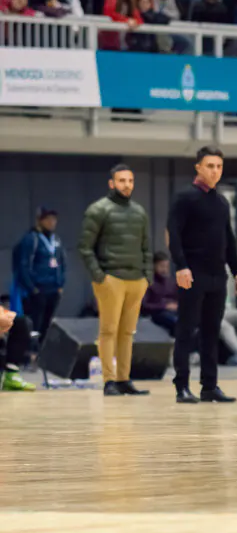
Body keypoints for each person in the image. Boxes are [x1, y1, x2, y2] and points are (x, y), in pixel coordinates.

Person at [168, 146, 237, 404]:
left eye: (219, 167)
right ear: (198, 167)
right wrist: (181, 266)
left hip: (216, 276)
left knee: (211, 332)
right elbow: (174, 234)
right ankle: (181, 386)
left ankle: (209, 386)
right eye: (210, 166)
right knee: (186, 330)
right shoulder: (184, 198)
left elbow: (229, 239)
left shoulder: (221, 202)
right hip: (192, 274)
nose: (215, 171)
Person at [78, 163, 153, 396]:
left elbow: (146, 248)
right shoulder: (98, 209)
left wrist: (146, 277)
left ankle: (123, 379)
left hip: (135, 280)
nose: (127, 185)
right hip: (111, 278)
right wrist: (100, 277)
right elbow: (84, 248)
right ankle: (109, 380)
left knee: (127, 332)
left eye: (130, 181)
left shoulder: (139, 212)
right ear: (111, 183)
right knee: (108, 330)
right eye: (122, 181)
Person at [15, 207, 65, 342]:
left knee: (47, 324)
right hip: (38, 289)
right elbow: (23, 265)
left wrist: (60, 284)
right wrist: (32, 288)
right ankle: (32, 352)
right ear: (40, 220)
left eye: (54, 219)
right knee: (35, 323)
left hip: (53, 289)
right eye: (48, 219)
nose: (52, 222)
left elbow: (62, 263)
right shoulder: (32, 239)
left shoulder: (56, 240)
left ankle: (43, 355)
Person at [144, 251, 179, 335]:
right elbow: (144, 306)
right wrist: (164, 306)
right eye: (161, 266)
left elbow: (177, 298)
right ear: (154, 266)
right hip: (158, 312)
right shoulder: (149, 283)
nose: (164, 269)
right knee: (177, 323)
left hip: (173, 311)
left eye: (166, 266)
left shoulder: (170, 282)